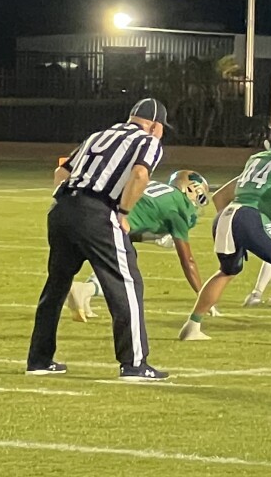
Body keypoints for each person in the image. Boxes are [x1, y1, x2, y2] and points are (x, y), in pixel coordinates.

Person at [27, 97, 172, 381]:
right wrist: (124, 212)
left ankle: (39, 359)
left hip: (62, 209)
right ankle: (134, 364)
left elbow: (61, 172)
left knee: (56, 285)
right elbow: (140, 174)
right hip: (97, 211)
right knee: (126, 283)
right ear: (154, 125)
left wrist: (72, 203)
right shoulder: (148, 141)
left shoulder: (98, 135)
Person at [179, 124, 271, 346]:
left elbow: (220, 197)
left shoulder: (257, 158)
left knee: (227, 271)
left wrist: (235, 227)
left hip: (226, 217)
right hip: (250, 217)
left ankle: (192, 326)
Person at [62, 167, 212, 321]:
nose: (197, 203)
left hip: (87, 212)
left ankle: (84, 302)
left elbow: (130, 229)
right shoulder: (180, 206)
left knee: (122, 255)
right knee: (127, 275)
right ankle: (85, 289)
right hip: (107, 224)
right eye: (199, 197)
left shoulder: (157, 189)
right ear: (190, 189)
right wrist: (205, 297)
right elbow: (188, 261)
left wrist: (151, 238)